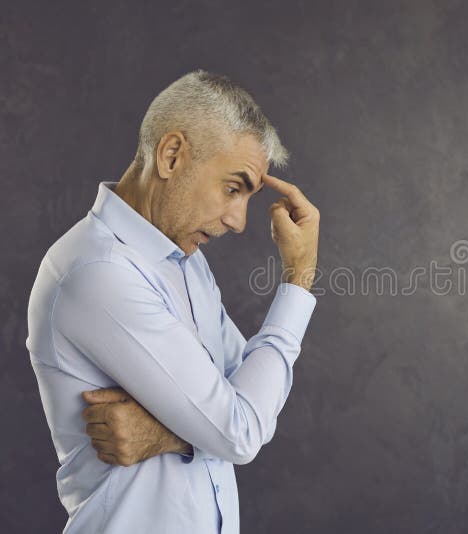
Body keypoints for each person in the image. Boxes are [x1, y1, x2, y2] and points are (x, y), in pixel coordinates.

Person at [25, 69, 320, 533]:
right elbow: (241, 430)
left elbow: (253, 404)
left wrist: (168, 435)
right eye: (232, 188)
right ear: (171, 155)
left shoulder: (185, 261)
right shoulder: (98, 272)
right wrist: (298, 280)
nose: (239, 221)